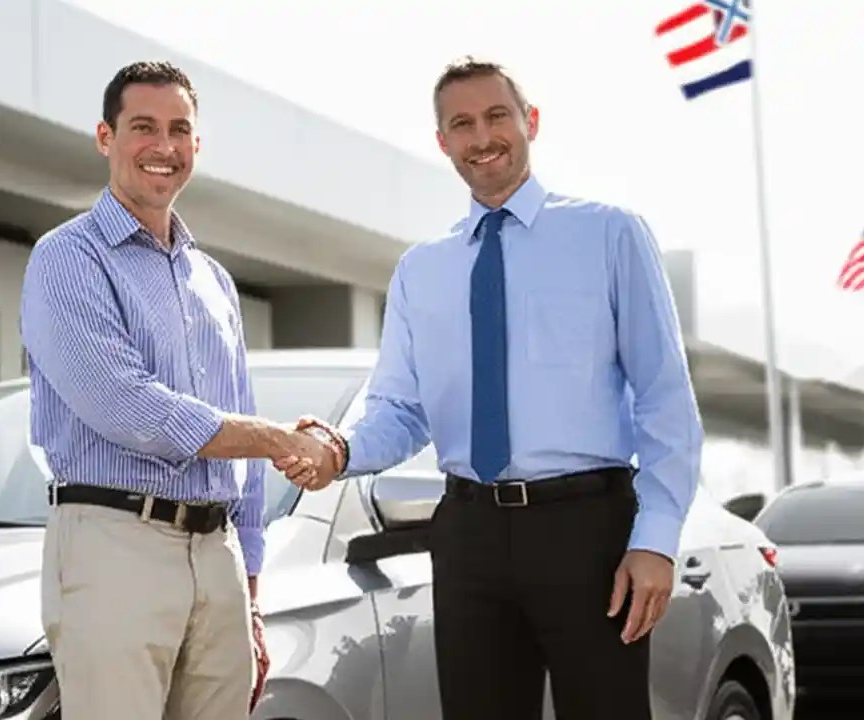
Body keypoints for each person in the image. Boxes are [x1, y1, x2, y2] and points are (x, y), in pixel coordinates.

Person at [279, 56, 704, 719]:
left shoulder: (609, 234)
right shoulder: (422, 270)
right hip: (470, 535)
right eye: (462, 124)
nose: (482, 137)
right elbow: (401, 410)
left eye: (497, 116)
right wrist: (338, 452)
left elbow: (664, 398)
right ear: (443, 141)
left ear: (530, 121)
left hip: (588, 532)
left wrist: (653, 540)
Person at [20, 61, 342, 720]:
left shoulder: (214, 282)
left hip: (217, 555)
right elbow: (127, 406)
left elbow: (243, 448)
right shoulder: (68, 258)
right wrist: (276, 438)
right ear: (105, 137)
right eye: (143, 127)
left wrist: (249, 592)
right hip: (115, 547)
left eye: (179, 130)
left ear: (196, 145)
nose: (163, 147)